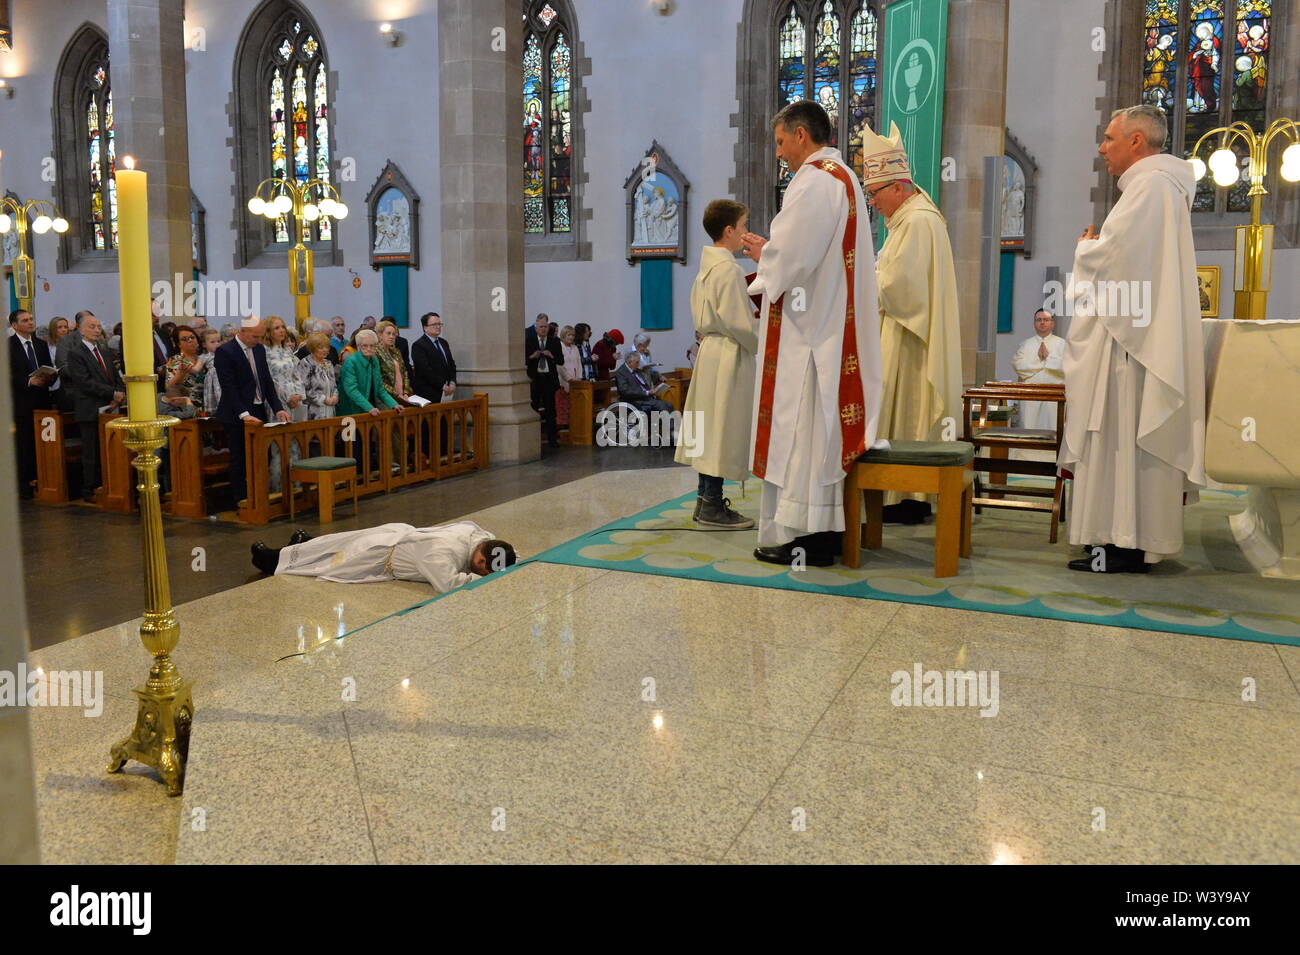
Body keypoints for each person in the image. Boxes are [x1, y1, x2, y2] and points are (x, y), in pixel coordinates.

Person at [1061, 105, 1206, 574]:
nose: (1102, 148)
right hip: (1136, 340)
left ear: (1137, 141)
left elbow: (1115, 260)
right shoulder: (1162, 187)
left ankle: (1120, 543)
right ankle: (1125, 541)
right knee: (1124, 446)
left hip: (1130, 351)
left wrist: (1086, 246)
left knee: (1121, 443)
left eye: (1109, 138)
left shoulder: (1150, 186)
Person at [740, 100, 883, 566]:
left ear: (801, 135)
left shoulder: (816, 180)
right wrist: (774, 255)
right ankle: (817, 531)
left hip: (811, 336)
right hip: (823, 323)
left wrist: (763, 265)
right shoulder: (842, 179)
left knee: (804, 432)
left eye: (781, 142)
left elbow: (792, 259)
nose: (779, 153)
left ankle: (812, 537)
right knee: (812, 433)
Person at [866, 121, 962, 525]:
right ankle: (901, 494)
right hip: (902, 330)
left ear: (898, 187)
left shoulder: (919, 221)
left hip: (911, 337)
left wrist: (861, 280)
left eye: (874, 193)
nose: (872, 202)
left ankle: (910, 498)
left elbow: (901, 287)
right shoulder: (909, 220)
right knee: (902, 413)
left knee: (909, 411)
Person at [675, 198, 759, 530]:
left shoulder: (706, 271)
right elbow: (740, 323)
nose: (745, 233)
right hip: (728, 354)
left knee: (710, 431)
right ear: (728, 230)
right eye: (743, 226)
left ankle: (704, 501)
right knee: (721, 430)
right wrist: (763, 337)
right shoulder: (728, 270)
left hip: (711, 352)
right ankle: (711, 508)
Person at [250, 521, 517, 593]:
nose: (480, 574)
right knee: (330, 560)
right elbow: (448, 584)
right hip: (380, 556)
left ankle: (301, 543)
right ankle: (270, 560)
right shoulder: (444, 552)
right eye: (483, 571)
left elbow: (501, 545)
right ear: (481, 562)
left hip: (395, 534)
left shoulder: (475, 536)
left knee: (334, 543)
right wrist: (481, 579)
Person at [213, 315, 290, 504]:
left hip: (258, 408)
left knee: (261, 455)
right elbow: (228, 386)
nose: (258, 340)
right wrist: (244, 415)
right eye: (255, 336)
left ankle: (260, 495)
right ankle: (241, 500)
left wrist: (278, 408)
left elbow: (266, 382)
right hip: (236, 413)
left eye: (261, 337)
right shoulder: (226, 351)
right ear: (243, 332)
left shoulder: (259, 349)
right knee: (239, 457)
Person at [56, 311, 124, 500]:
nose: (96, 330)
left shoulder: (103, 350)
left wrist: (119, 392)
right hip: (89, 407)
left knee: (108, 449)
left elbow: (115, 375)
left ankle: (109, 484)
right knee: (91, 452)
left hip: (109, 407)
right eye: (91, 327)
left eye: (98, 327)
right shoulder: (76, 352)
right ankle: (89, 489)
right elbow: (84, 382)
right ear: (80, 330)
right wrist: (112, 393)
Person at [8, 309, 57, 498]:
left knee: (42, 443)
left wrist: (50, 377)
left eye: (31, 319)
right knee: (24, 444)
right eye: (25, 320)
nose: (30, 322)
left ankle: (43, 479)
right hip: (21, 403)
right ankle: (25, 484)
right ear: (14, 326)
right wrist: (28, 381)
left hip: (42, 400)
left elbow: (47, 368)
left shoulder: (40, 344)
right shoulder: (8, 346)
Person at [1010, 309, 1066, 430]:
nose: (1042, 322)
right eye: (1038, 320)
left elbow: (1068, 366)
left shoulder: (1063, 344)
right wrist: (1041, 363)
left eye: (1046, 320)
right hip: (1030, 394)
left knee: (1053, 428)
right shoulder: (1025, 344)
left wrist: (1048, 358)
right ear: (1034, 323)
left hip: (1054, 395)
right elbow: (1018, 365)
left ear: (1052, 323)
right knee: (1030, 428)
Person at [338, 328, 400, 417]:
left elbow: (379, 388)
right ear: (358, 346)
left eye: (372, 345)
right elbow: (352, 390)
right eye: (365, 346)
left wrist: (394, 404)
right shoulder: (351, 362)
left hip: (370, 406)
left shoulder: (374, 360)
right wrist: (369, 408)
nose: (369, 349)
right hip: (351, 409)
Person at [524, 313, 562, 447]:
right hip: (535, 380)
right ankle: (532, 440)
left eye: (545, 327)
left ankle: (552, 440)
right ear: (535, 327)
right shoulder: (529, 341)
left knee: (550, 410)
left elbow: (561, 361)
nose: (543, 329)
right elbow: (523, 361)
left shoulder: (554, 341)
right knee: (533, 408)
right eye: (541, 327)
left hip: (548, 380)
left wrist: (551, 355)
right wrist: (532, 357)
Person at [264, 315, 307, 423]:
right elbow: (267, 379)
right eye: (277, 328)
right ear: (269, 331)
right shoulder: (264, 351)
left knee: (297, 435)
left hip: (295, 398)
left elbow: (296, 374)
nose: (282, 330)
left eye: (283, 327)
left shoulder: (287, 350)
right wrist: (286, 397)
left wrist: (298, 395)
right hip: (278, 399)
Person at [411, 312, 458, 402]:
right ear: (425, 328)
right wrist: (442, 385)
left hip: (447, 392)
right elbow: (425, 370)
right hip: (429, 392)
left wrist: (452, 382)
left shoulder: (443, 342)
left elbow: (451, 364)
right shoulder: (418, 345)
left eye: (439, 324)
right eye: (434, 324)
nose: (438, 327)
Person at [160, 324, 202, 418]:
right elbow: (170, 389)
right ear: (178, 344)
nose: (190, 340)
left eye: (192, 337)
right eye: (184, 339)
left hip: (208, 406)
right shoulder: (175, 361)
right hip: (187, 410)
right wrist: (180, 375)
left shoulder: (203, 358)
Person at [614, 349, 672, 414]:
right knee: (663, 406)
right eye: (637, 362)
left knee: (669, 405)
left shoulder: (636, 370)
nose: (638, 365)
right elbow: (625, 391)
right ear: (629, 362)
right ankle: (664, 423)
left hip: (645, 398)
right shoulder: (621, 373)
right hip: (635, 400)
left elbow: (643, 384)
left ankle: (666, 423)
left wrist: (653, 391)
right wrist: (647, 392)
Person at [298, 331, 340, 419]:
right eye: (321, 347)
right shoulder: (305, 363)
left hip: (330, 408)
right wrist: (324, 399)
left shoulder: (328, 363)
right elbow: (305, 389)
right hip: (313, 412)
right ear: (313, 348)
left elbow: (334, 385)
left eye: (327, 347)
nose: (325, 350)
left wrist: (335, 397)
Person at [376, 319, 414, 406]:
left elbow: (405, 372)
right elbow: (379, 380)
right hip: (386, 397)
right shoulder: (375, 352)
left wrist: (405, 392)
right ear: (380, 335)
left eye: (394, 334)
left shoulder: (396, 351)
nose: (392, 336)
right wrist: (396, 395)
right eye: (388, 333)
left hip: (403, 396)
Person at [556, 324, 581, 429]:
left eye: (572, 335)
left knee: (573, 405)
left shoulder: (575, 348)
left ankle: (573, 424)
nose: (571, 337)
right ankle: (563, 426)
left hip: (575, 380)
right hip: (563, 381)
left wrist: (579, 377)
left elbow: (579, 364)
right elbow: (559, 365)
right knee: (563, 406)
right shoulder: (559, 346)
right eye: (569, 335)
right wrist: (568, 378)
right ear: (563, 335)